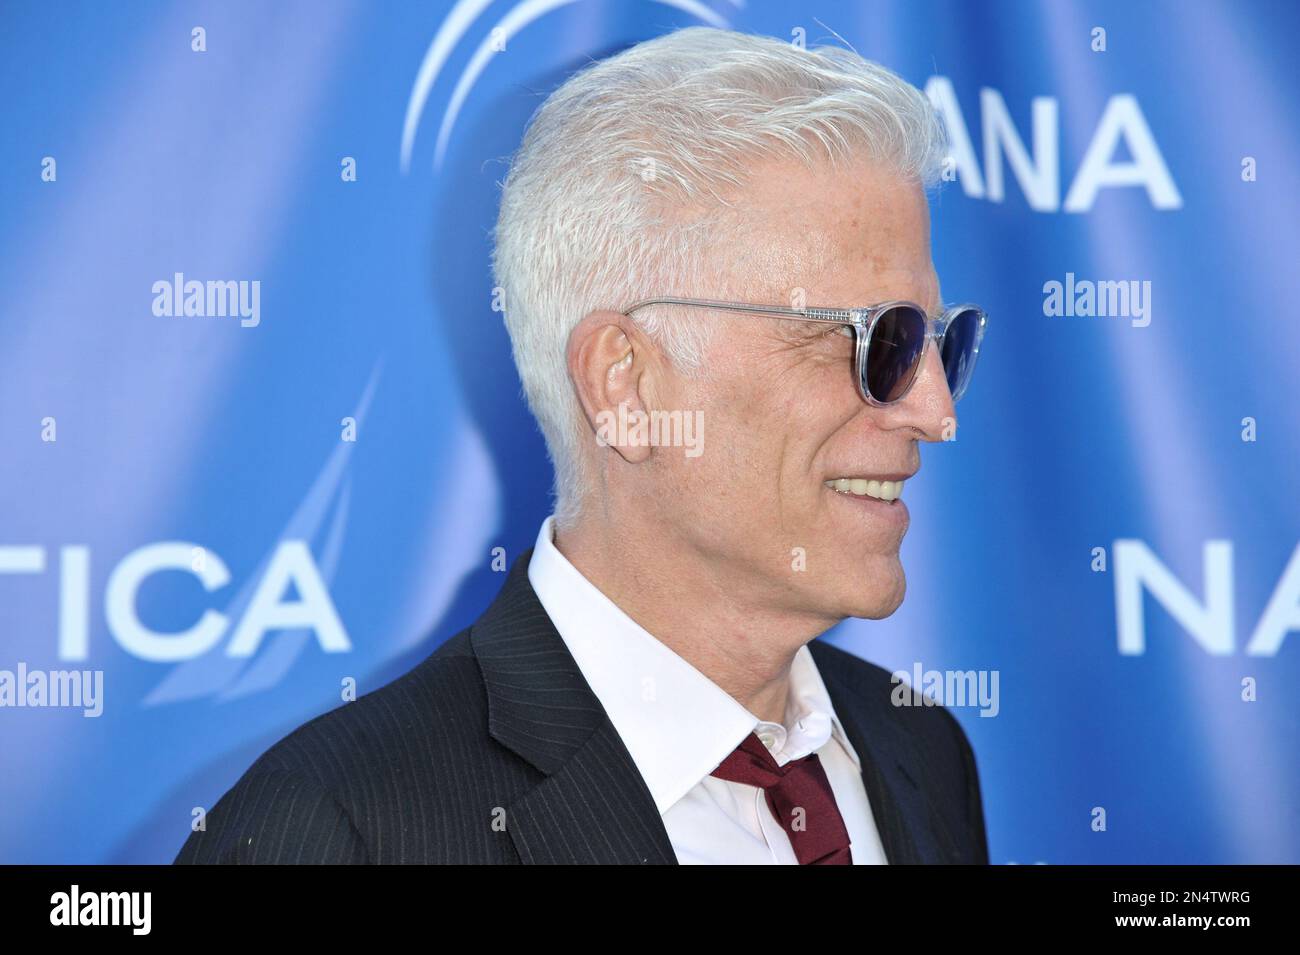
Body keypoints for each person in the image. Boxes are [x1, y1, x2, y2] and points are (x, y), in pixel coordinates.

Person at [176, 24, 990, 865]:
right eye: (878, 341)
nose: (934, 410)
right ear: (625, 385)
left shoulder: (915, 747)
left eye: (940, 342)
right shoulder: (339, 833)